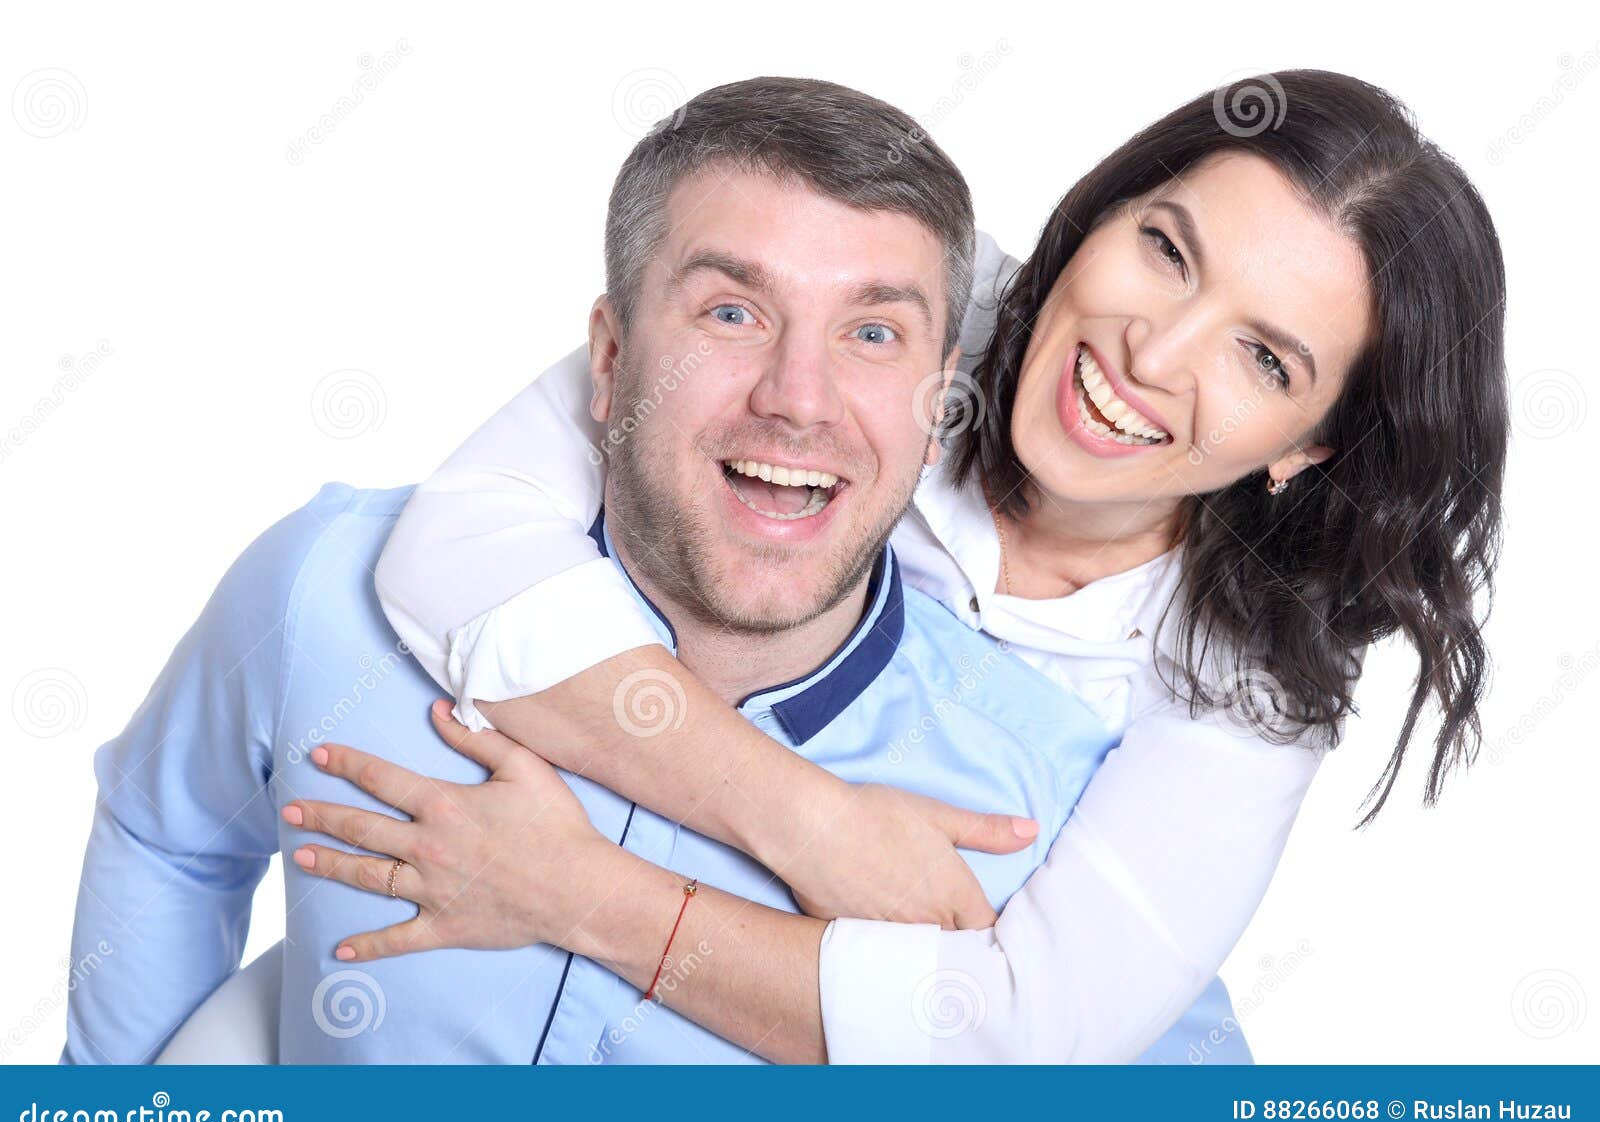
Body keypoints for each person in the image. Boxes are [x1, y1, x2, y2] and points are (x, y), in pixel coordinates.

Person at [317, 69, 1509, 1063]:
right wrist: (807, 823)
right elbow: (461, 543)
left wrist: (582, 897)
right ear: (1100, 213)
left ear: (1308, 446)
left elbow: (1005, 1039)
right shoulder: (891, 299)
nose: (1152, 353)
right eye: (1164, 249)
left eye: (1263, 359)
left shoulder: (1242, 697)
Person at [62, 76, 1248, 1066]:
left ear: (943, 406)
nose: (797, 399)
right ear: (612, 356)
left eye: (872, 333)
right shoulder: (324, 588)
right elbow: (169, 836)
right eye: (731, 313)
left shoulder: (1041, 811)